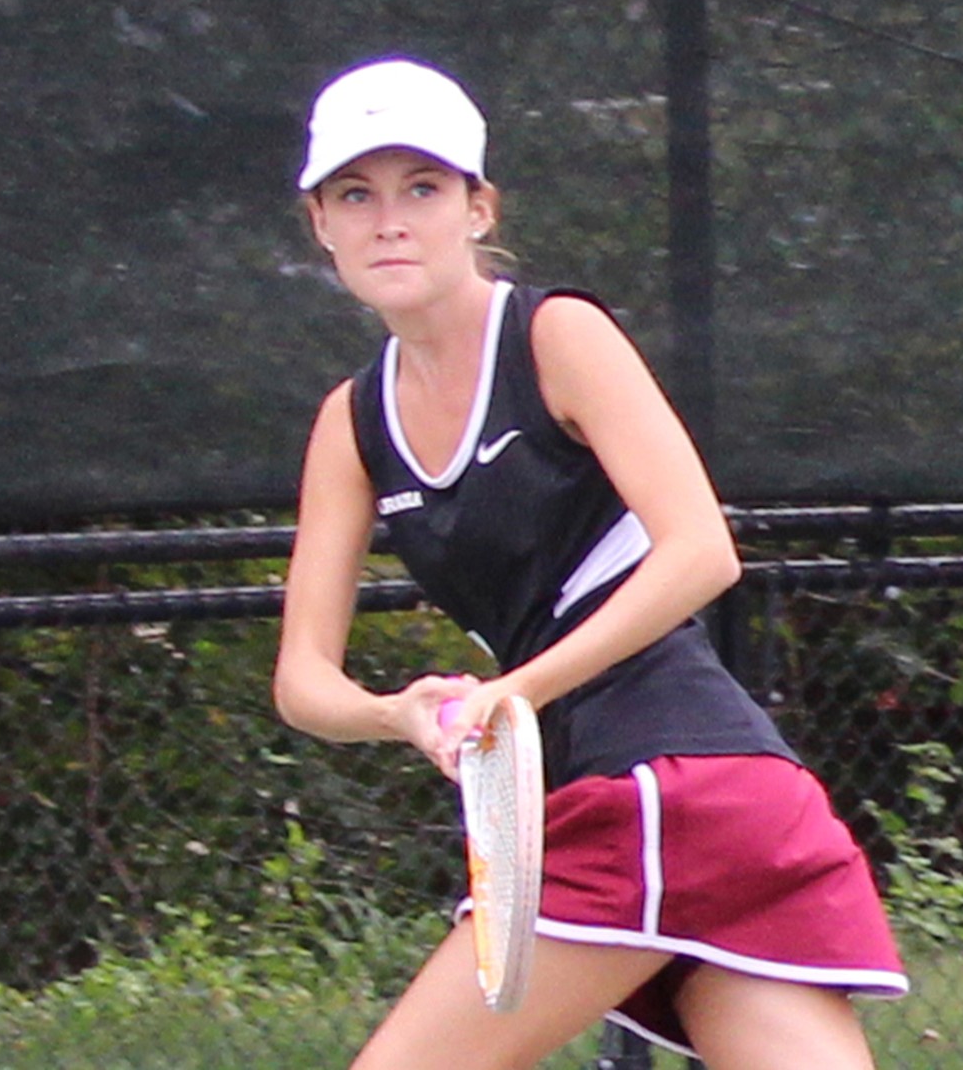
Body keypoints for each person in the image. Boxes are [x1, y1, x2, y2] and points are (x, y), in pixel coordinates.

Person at [272, 57, 907, 1070]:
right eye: (356, 195)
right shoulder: (351, 422)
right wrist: (398, 713)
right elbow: (303, 680)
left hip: (671, 787)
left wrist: (515, 692)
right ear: (321, 223)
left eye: (422, 189)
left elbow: (701, 551)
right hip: (686, 798)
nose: (389, 221)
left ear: (478, 209)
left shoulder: (557, 334)